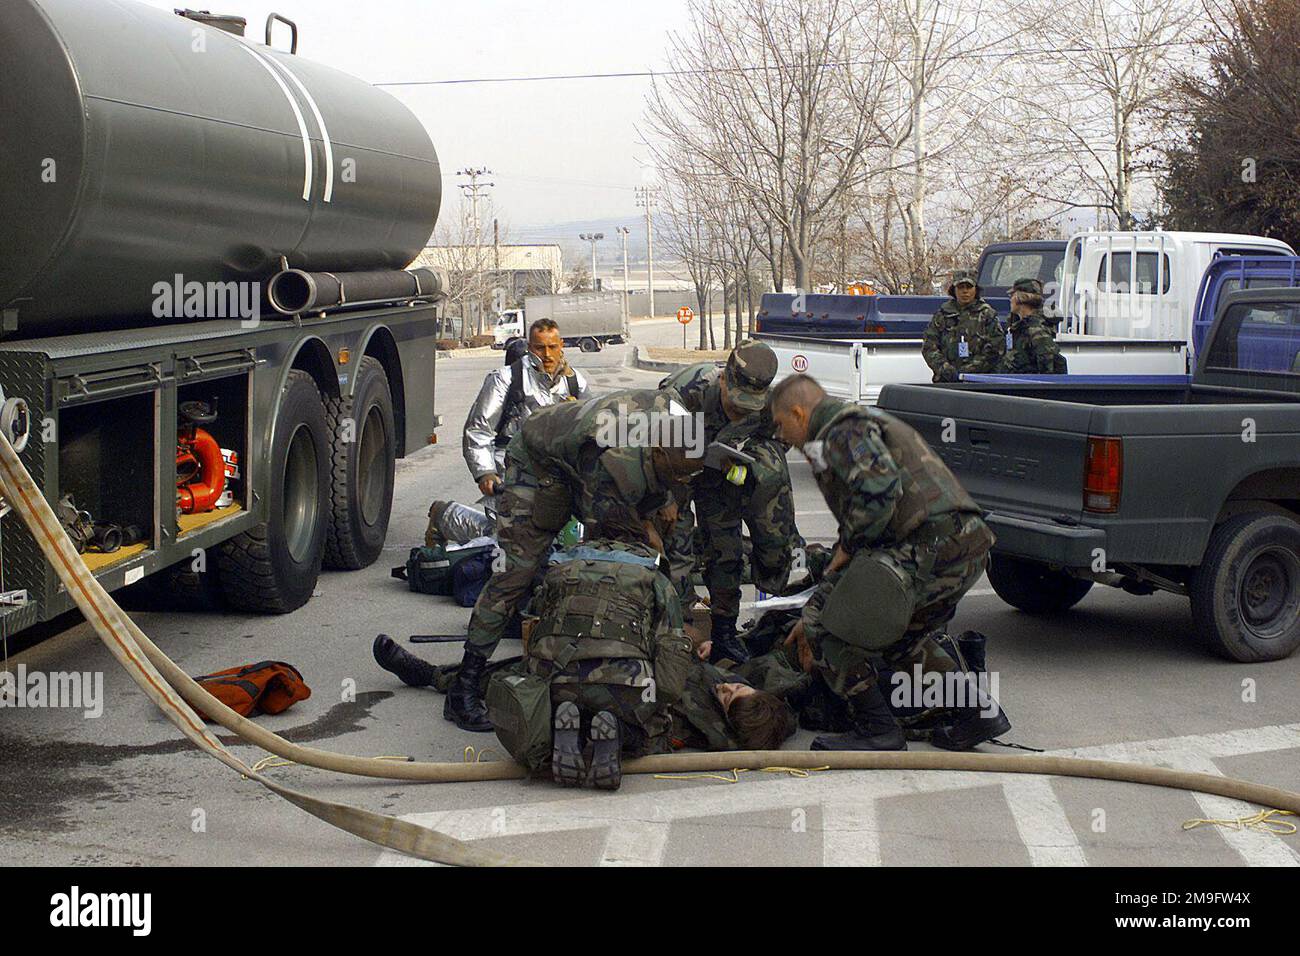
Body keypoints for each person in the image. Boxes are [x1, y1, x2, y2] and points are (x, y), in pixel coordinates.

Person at [767, 373, 1011, 752]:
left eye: (782, 425)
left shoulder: (840, 432)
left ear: (799, 413)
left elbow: (879, 495)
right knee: (899, 640)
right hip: (963, 546)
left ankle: (878, 729)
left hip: (933, 547)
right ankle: (977, 713)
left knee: (825, 625)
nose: (783, 437)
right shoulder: (856, 423)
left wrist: (846, 550)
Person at [444, 387, 704, 732]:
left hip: (581, 458)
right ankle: (464, 684)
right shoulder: (613, 462)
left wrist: (681, 613)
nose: (680, 484)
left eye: (687, 478)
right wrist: (646, 535)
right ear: (656, 453)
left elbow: (678, 524)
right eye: (675, 476)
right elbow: (603, 548)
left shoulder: (680, 432)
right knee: (518, 571)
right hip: (538, 464)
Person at [659, 340, 799, 665]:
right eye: (736, 404)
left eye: (748, 407)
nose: (739, 411)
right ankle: (680, 628)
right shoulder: (685, 391)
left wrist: (741, 463)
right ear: (724, 378)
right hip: (676, 469)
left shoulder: (771, 405)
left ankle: (723, 631)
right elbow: (658, 446)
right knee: (675, 546)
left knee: (726, 549)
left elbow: (778, 442)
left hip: (721, 472)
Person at [462, 318, 589, 497]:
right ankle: (449, 515)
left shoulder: (575, 381)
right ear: (530, 347)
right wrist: (485, 472)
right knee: (513, 525)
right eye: (540, 347)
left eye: (552, 347)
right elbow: (479, 430)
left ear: (561, 345)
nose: (547, 354)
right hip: (513, 475)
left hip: (560, 477)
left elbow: (590, 430)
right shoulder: (505, 379)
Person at [922, 269, 1004, 383]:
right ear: (954, 290)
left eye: (969, 287)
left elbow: (996, 348)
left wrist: (969, 371)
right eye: (961, 287)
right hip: (946, 381)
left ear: (976, 289)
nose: (965, 291)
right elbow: (929, 346)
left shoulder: (987, 315)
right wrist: (946, 369)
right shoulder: (942, 314)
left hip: (978, 382)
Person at [998, 278, 1067, 375]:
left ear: (1020, 298)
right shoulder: (1019, 326)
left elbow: (1048, 369)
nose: (1010, 299)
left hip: (1028, 386)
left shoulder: (1036, 330)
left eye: (1012, 295)